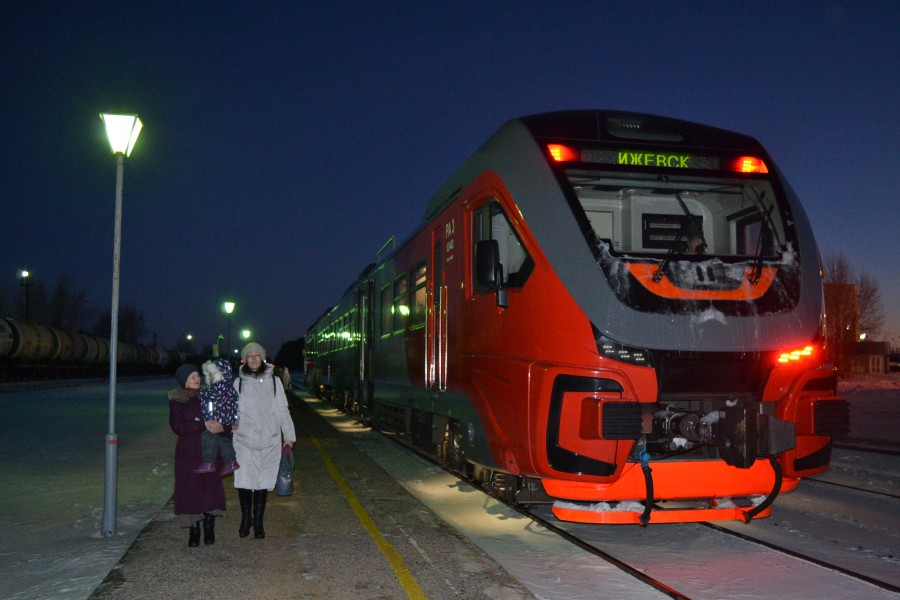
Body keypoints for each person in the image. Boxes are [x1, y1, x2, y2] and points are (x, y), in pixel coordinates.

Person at [233, 342, 296, 539]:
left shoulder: (275, 382)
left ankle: (258, 523)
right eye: (249, 355)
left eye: (257, 355)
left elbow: (282, 410)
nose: (253, 359)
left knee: (263, 482)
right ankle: (246, 519)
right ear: (245, 359)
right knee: (244, 480)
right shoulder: (238, 383)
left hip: (270, 440)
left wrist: (289, 437)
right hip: (243, 440)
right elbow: (230, 411)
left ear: (262, 358)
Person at [168, 363, 227, 547]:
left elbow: (222, 417)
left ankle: (209, 526)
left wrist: (222, 426)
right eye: (193, 376)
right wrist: (202, 425)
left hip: (209, 451)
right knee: (190, 491)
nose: (197, 379)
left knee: (209, 488)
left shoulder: (208, 396)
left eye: (197, 375)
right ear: (184, 380)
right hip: (189, 454)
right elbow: (178, 426)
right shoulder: (178, 401)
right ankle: (194, 530)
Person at [194, 358, 240, 476]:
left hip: (220, 416)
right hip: (223, 417)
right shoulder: (225, 386)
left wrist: (201, 391)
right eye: (208, 375)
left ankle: (209, 461)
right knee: (223, 440)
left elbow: (212, 397)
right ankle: (231, 461)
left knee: (207, 436)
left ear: (221, 375)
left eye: (212, 374)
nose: (209, 378)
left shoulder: (220, 386)